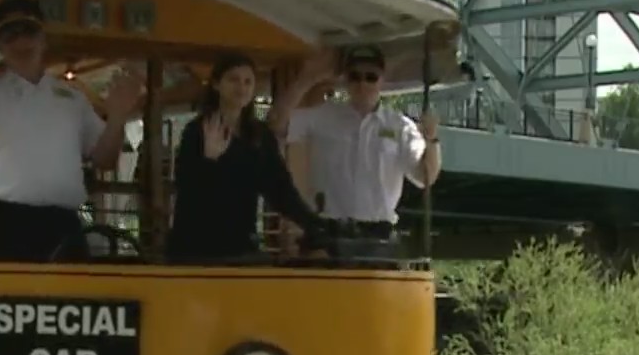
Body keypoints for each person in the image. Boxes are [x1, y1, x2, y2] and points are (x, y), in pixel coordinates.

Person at [0, 0, 144, 262]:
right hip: (9, 223)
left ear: (43, 39)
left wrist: (118, 116)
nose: (21, 42)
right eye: (10, 35)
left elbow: (104, 159)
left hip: (64, 222)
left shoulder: (73, 98)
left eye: (28, 32)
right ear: (0, 46)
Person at [166, 52, 329, 262]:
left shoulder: (259, 137)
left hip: (241, 246)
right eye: (233, 80)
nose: (241, 87)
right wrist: (209, 159)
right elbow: (187, 187)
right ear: (216, 84)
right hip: (195, 249)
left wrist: (314, 224)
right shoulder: (196, 131)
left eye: (247, 81)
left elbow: (280, 189)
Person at [272, 44, 442, 243]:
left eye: (371, 77)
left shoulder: (400, 126)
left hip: (378, 236)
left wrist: (431, 140)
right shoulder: (322, 116)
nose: (363, 84)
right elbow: (277, 121)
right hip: (328, 232)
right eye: (355, 76)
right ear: (345, 80)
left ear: (382, 81)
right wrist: (307, 79)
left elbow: (426, 177)